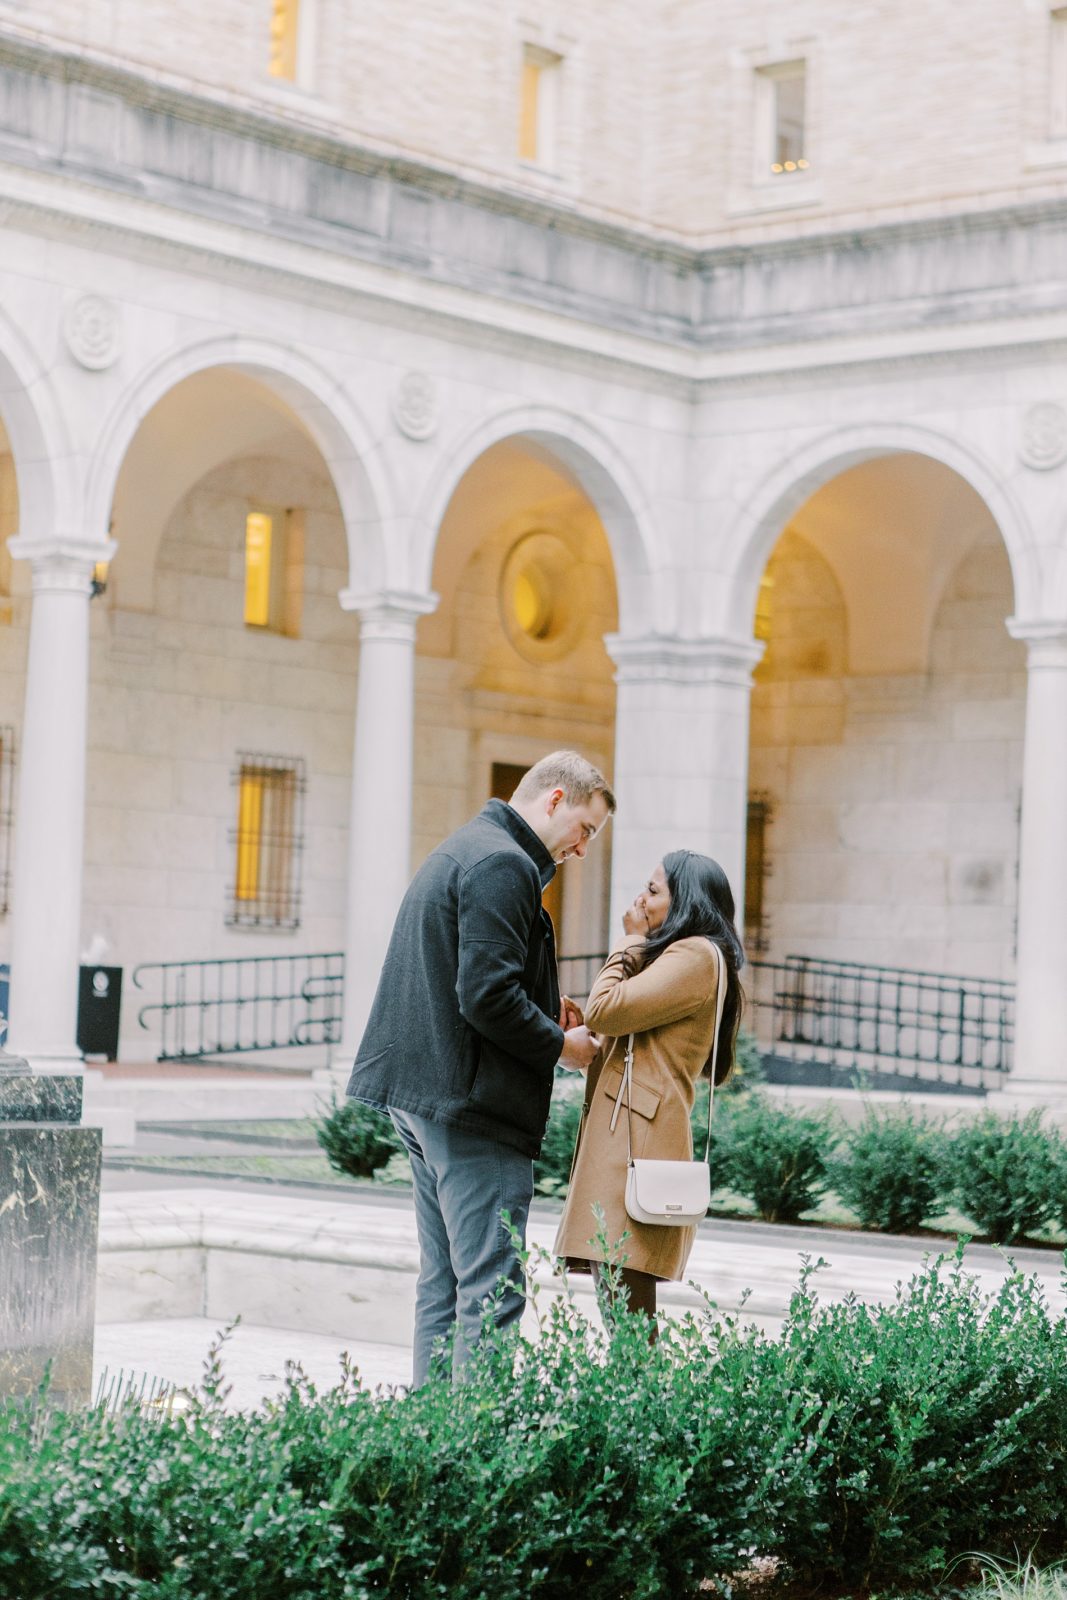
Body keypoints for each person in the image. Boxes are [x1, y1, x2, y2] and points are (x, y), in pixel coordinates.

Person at [347, 750, 614, 1384]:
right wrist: (562, 1046)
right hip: (473, 1110)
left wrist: (547, 1006)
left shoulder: (467, 846)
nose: (581, 849)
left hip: (424, 1096)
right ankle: (472, 1459)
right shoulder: (505, 862)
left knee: (443, 1284)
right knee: (491, 1291)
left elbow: (467, 979)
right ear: (554, 799)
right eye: (586, 829)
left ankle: (430, 1445)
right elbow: (487, 996)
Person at [554, 850, 745, 1334]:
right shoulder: (686, 956)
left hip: (636, 1139)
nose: (641, 900)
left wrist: (630, 943)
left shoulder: (696, 954)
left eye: (654, 891)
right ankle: (636, 1402)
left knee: (624, 1294)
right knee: (616, 1286)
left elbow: (607, 1007)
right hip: (630, 1131)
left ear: (688, 903)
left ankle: (644, 1405)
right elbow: (623, 1031)